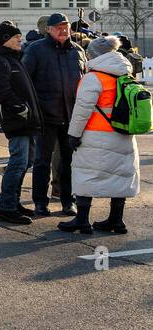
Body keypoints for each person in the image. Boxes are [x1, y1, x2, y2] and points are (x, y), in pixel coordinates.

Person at [60, 35, 139, 235]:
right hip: (123, 133)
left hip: (95, 134)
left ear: (93, 55)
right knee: (120, 175)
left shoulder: (94, 77)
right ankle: (116, 220)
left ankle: (82, 220)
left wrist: (73, 134)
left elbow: (82, 109)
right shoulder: (126, 73)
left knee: (86, 174)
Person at [21, 13, 85, 217]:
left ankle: (68, 200)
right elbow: (25, 81)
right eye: (58, 27)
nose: (63, 30)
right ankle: (41, 202)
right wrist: (33, 109)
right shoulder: (36, 49)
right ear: (49, 29)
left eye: (65, 26)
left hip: (71, 115)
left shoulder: (77, 51)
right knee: (42, 160)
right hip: (45, 116)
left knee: (69, 161)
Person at [0, 22, 41, 225]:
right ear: (4, 39)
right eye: (16, 37)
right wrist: (20, 108)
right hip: (17, 120)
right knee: (18, 162)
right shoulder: (0, 61)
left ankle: (14, 202)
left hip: (26, 120)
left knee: (26, 162)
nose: (20, 39)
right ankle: (6, 207)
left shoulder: (13, 58)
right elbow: (0, 91)